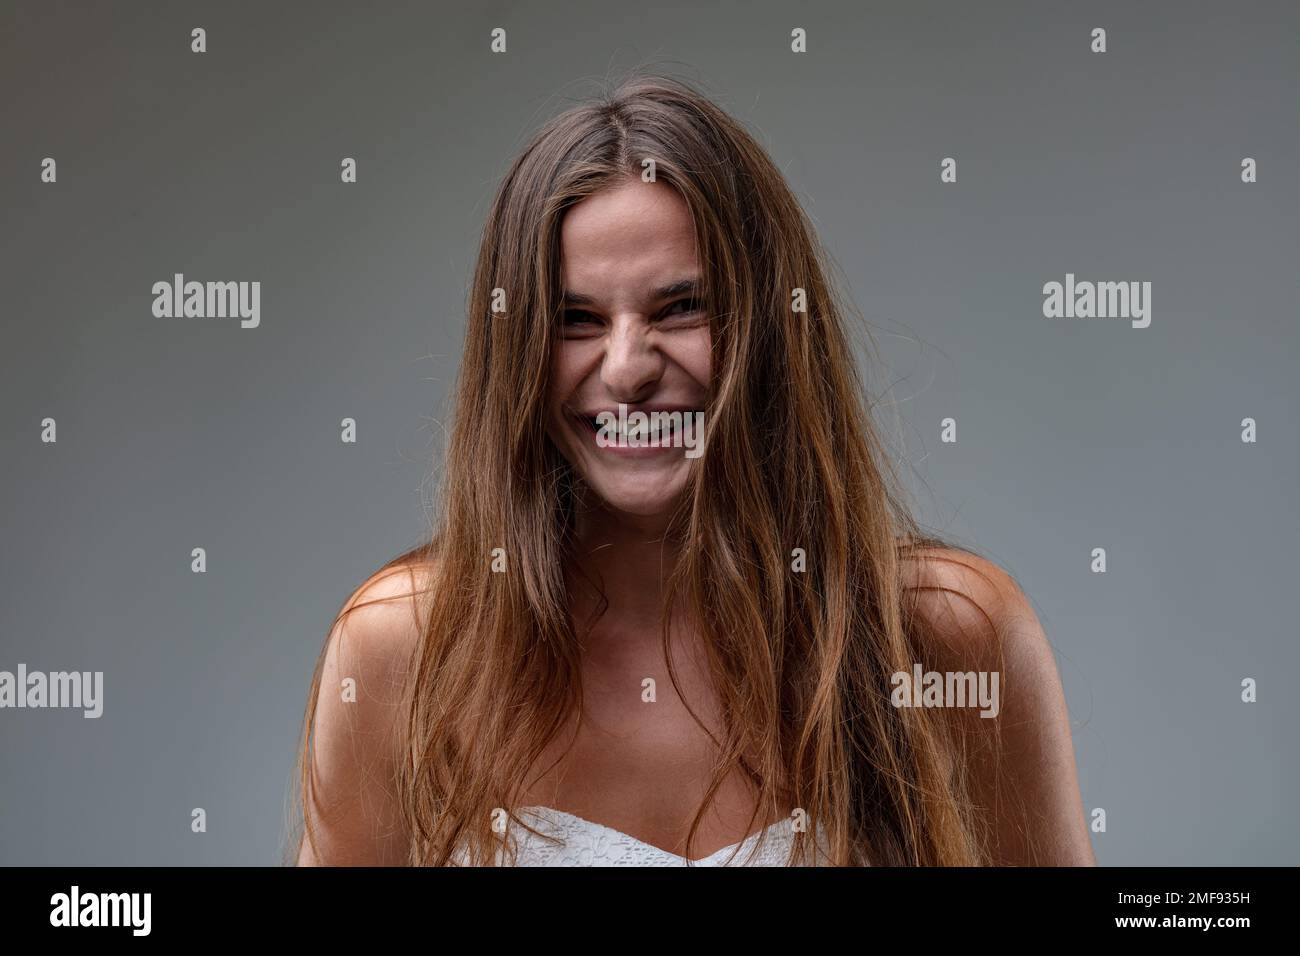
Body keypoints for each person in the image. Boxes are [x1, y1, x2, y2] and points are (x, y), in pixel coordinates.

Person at [292, 73, 1095, 867]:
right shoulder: (407, 647)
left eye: (682, 307)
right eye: (576, 319)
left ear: (775, 329)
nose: (627, 367)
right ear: (517, 353)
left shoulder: (947, 634)